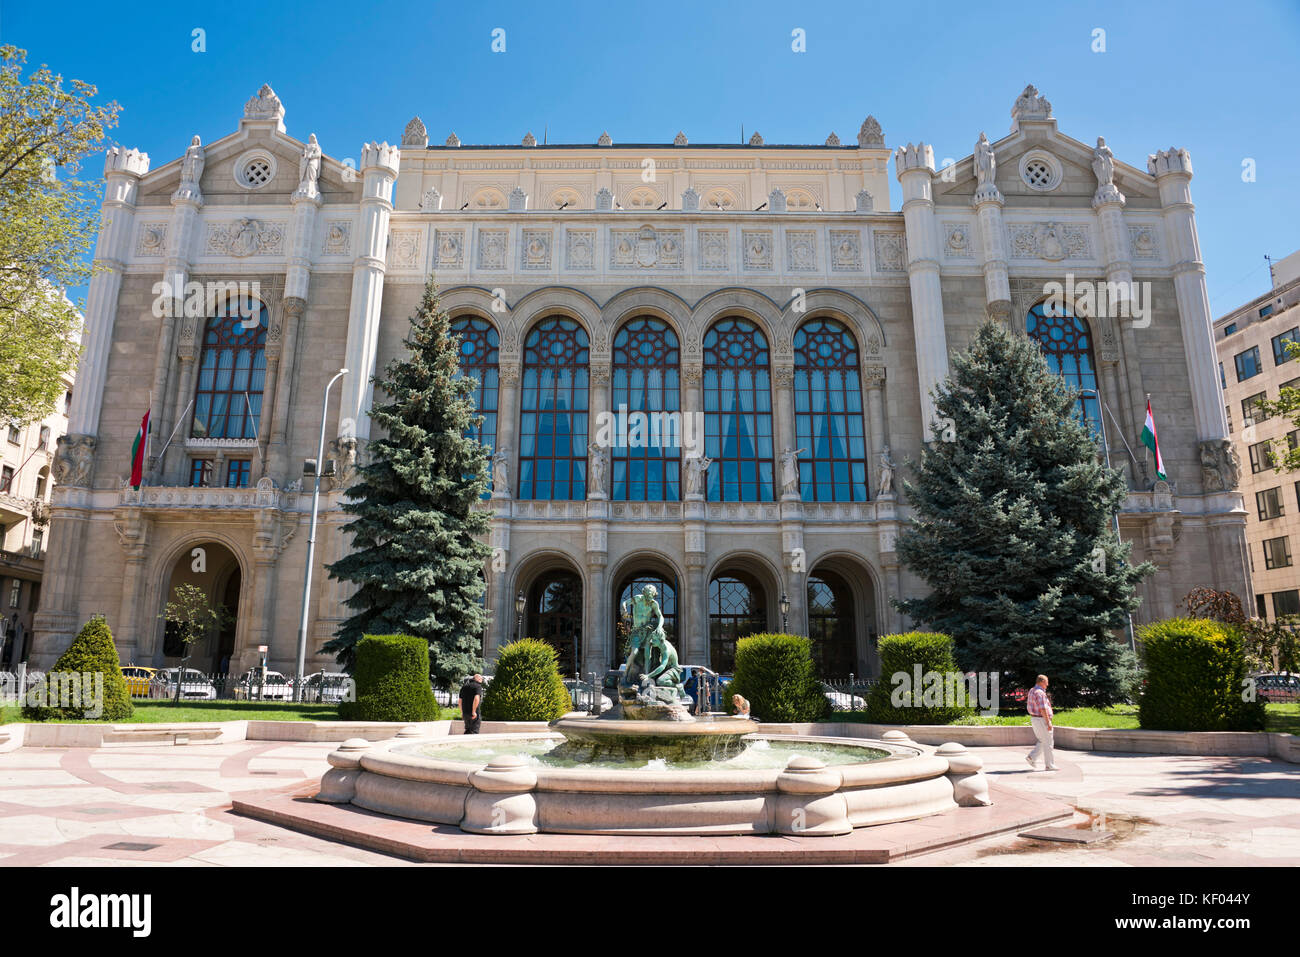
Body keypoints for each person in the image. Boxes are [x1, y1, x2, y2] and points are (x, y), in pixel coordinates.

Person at [1025, 674, 1057, 771]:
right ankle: (1049, 765)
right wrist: (1048, 722)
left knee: (1043, 740)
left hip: (1035, 719)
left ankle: (1032, 757)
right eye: (1047, 682)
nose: (1047, 684)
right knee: (1048, 742)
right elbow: (1042, 709)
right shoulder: (1040, 692)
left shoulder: (1032, 690)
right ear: (1042, 681)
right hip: (1041, 719)